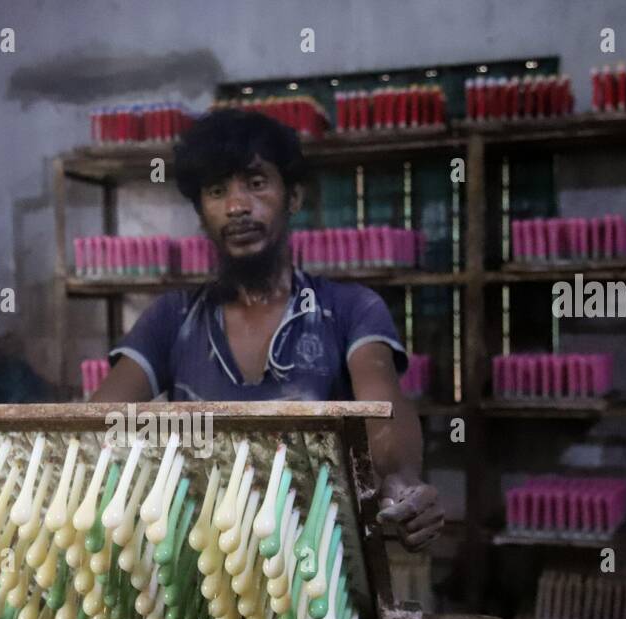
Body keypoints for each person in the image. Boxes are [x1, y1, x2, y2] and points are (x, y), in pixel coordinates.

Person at [89, 108, 444, 551]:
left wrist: (400, 482)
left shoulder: (349, 309)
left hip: (318, 565)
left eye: (256, 184)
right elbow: (96, 423)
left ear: (292, 196)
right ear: (202, 212)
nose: (237, 206)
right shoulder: (172, 319)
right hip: (203, 565)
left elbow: (382, 413)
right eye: (217, 191)